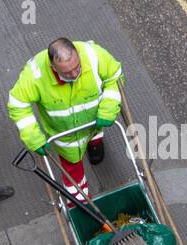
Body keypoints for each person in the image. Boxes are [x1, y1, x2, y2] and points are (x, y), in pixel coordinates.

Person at [8, 38, 123, 201]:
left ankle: (95, 144)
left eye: (77, 67)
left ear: (78, 54)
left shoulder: (94, 55)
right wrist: (33, 138)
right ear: (52, 67)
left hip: (95, 120)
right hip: (66, 135)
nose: (75, 74)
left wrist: (109, 108)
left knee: (95, 133)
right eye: (67, 72)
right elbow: (17, 104)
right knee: (73, 173)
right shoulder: (34, 76)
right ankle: (81, 202)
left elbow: (114, 77)